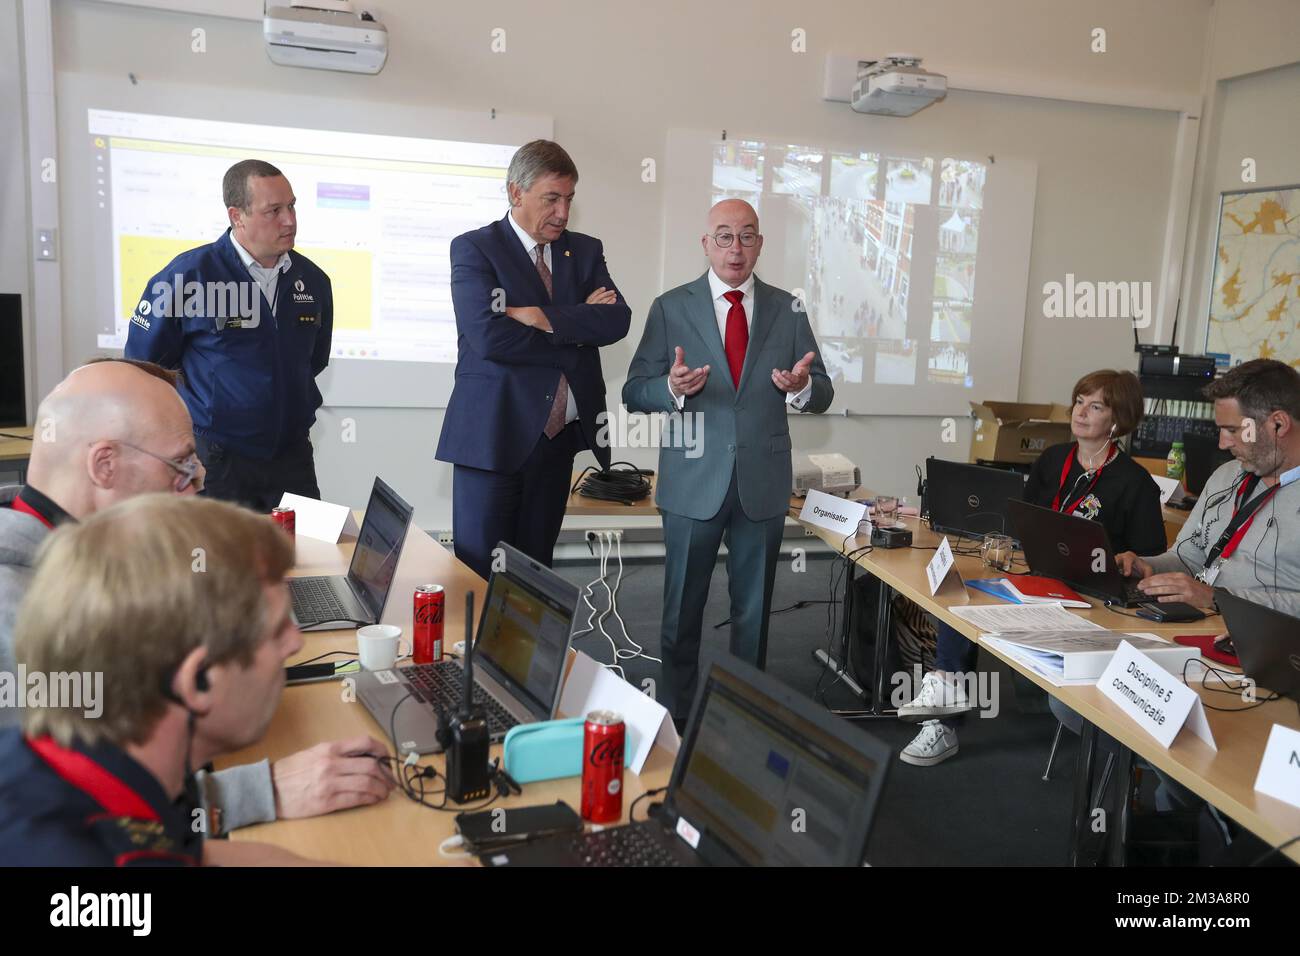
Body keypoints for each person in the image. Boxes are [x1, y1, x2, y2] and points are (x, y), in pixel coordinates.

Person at [0, 359, 394, 834]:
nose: (197, 483)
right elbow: (61, 827)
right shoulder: (16, 618)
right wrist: (261, 791)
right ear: (104, 465)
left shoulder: (100, 564)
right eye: (181, 464)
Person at [0, 494, 328, 864]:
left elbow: (200, 854)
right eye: (277, 630)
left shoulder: (87, 774)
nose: (295, 642)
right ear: (198, 681)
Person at [623, 198, 833, 725]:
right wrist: (669, 388)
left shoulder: (790, 309)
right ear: (705, 243)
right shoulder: (672, 306)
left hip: (761, 482)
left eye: (746, 236)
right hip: (693, 480)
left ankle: (743, 722)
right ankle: (674, 717)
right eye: (723, 236)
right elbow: (633, 390)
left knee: (754, 614)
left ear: (760, 243)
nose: (734, 248)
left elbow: (823, 388)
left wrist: (803, 388)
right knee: (680, 613)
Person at [899, 369, 1166, 766]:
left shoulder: (1135, 482)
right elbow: (1020, 518)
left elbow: (1147, 560)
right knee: (959, 591)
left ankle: (942, 706)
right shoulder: (1054, 458)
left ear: (1118, 419)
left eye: (1096, 406)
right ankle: (943, 712)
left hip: (1089, 597)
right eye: (1079, 401)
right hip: (1035, 576)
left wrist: (1126, 562)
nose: (1081, 412)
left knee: (969, 599)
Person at [436, 140, 630, 579]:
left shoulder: (583, 251)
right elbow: (489, 337)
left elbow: (617, 320)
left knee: (533, 578)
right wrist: (578, 323)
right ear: (515, 193)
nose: (563, 212)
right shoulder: (475, 248)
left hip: (555, 443)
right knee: (479, 578)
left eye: (569, 199)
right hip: (493, 437)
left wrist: (540, 316)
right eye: (551, 199)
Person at [125, 159, 332, 511]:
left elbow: (313, 361)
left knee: (309, 560)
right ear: (237, 216)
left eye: (292, 206)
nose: (290, 220)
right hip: (217, 462)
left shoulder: (313, 281)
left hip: (293, 460)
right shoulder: (188, 277)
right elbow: (143, 369)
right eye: (274, 210)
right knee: (219, 562)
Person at [1116, 358, 1300, 616]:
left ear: (1278, 424)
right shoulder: (1226, 477)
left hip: (1270, 643)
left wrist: (1218, 599)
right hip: (1206, 625)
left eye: (1233, 430)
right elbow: (1188, 559)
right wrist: (1145, 566)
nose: (1223, 444)